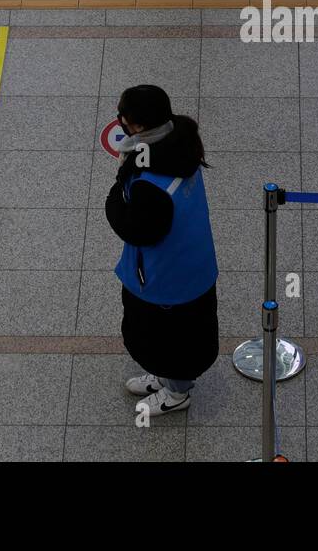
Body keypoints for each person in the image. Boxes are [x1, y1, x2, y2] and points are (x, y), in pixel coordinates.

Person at [105, 85, 220, 415]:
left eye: (122, 118)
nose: (120, 123)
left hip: (166, 280)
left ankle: (177, 394)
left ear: (138, 127)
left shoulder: (149, 184)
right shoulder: (180, 145)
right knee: (177, 336)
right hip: (191, 263)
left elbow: (134, 229)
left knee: (168, 340)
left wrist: (114, 196)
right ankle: (167, 378)